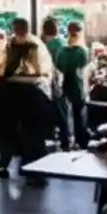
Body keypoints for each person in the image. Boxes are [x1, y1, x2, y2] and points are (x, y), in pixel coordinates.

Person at [0, 17, 55, 186]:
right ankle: (30, 168)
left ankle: (37, 171)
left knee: (32, 134)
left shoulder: (34, 45)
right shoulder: (16, 44)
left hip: (31, 91)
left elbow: (39, 71)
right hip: (23, 91)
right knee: (24, 133)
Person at [55, 21, 91, 150]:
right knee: (79, 115)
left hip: (64, 85)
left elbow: (58, 68)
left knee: (65, 115)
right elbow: (84, 72)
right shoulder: (83, 52)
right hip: (78, 85)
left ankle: (66, 141)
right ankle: (81, 142)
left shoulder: (62, 51)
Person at [41, 17, 68, 148]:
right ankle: (65, 140)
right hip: (63, 81)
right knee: (63, 111)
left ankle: (49, 136)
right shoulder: (64, 42)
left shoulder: (45, 46)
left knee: (51, 110)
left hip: (50, 82)